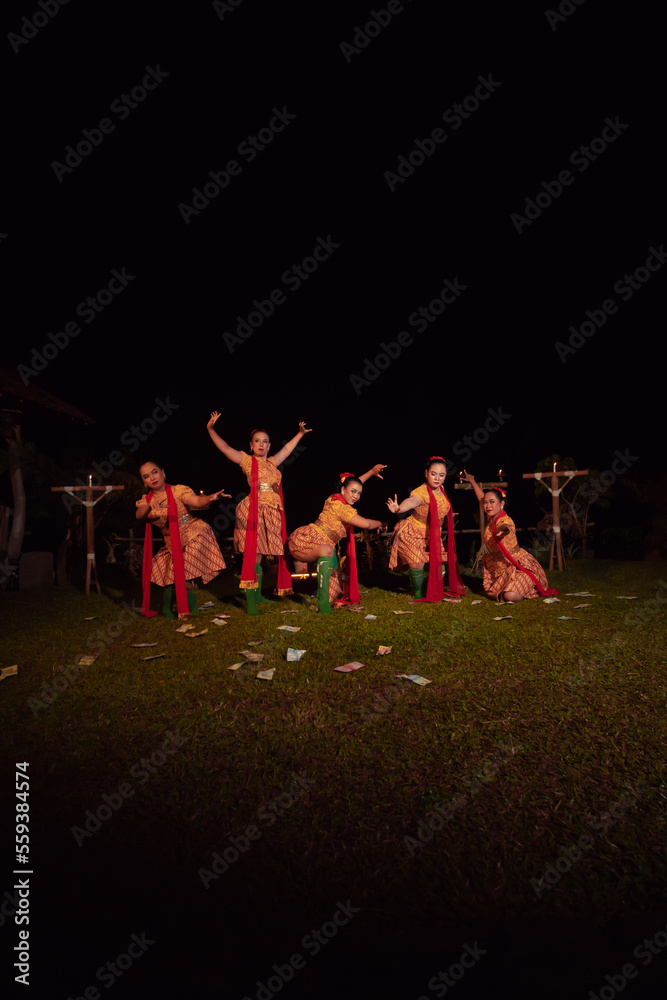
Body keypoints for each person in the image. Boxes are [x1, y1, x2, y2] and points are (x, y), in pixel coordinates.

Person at [206, 413, 310, 614]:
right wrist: (211, 429)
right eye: (257, 442)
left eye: (265, 442)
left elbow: (287, 449)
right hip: (253, 509)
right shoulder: (246, 460)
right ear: (251, 445)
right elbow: (226, 448)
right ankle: (251, 603)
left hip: (272, 510)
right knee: (253, 556)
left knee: (261, 555)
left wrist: (300, 433)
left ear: (269, 445)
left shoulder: (272, 462)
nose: (261, 445)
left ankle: (259, 597)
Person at [136, 460, 229, 619]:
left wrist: (211, 498)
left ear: (163, 472)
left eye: (154, 472)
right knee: (170, 575)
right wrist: (151, 505)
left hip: (193, 534)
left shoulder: (178, 491)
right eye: (146, 476)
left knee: (186, 572)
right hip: (171, 541)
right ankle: (170, 608)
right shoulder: (145, 501)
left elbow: (198, 501)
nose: (152, 477)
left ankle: (187, 608)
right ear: (144, 482)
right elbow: (139, 515)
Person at [288, 468, 386, 613]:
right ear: (342, 490)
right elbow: (366, 524)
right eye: (353, 492)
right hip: (305, 542)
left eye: (359, 493)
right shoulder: (341, 508)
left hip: (319, 544)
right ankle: (322, 603)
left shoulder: (334, 497)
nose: (356, 496)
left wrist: (371, 472)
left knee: (335, 579)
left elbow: (353, 484)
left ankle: (321, 596)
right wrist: (382, 523)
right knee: (328, 550)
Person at [460, 471, 559, 601]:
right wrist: (472, 481)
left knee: (510, 596)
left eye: (492, 502)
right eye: (486, 503)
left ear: (502, 504)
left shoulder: (504, 520)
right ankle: (513, 586)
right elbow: (481, 498)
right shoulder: (491, 517)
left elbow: (506, 527)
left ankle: (530, 586)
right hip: (501, 567)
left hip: (518, 566)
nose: (488, 506)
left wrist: (504, 530)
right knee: (503, 593)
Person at [386, 457, 465, 601]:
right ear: (426, 473)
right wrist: (399, 509)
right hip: (413, 531)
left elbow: (439, 507)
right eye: (433, 474)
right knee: (417, 562)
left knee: (441, 560)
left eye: (441, 475)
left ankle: (433, 588)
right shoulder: (420, 492)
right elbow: (412, 501)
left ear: (445, 476)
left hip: (433, 534)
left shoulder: (442, 489)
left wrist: (447, 515)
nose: (437, 478)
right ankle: (418, 593)